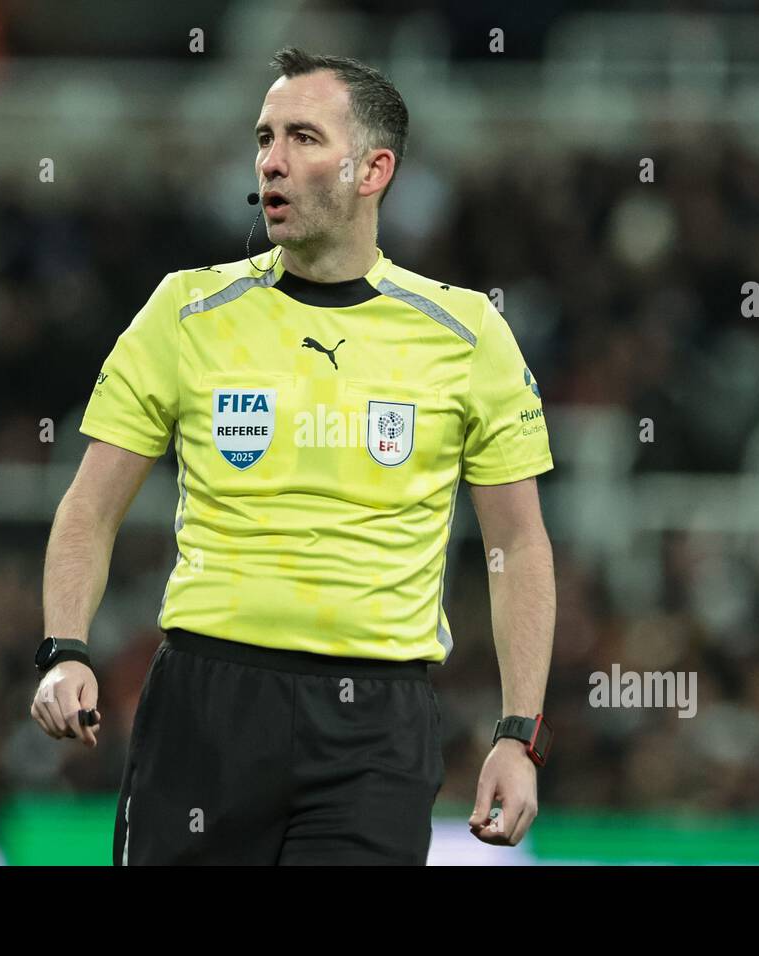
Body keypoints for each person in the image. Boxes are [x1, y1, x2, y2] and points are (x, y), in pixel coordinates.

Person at [31, 47, 556, 865]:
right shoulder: (186, 310)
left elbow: (517, 545)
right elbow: (90, 507)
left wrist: (518, 735)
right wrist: (64, 650)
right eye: (264, 137)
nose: (271, 161)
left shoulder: (465, 333)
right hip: (207, 705)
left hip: (376, 727)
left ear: (374, 168)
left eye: (303, 137)